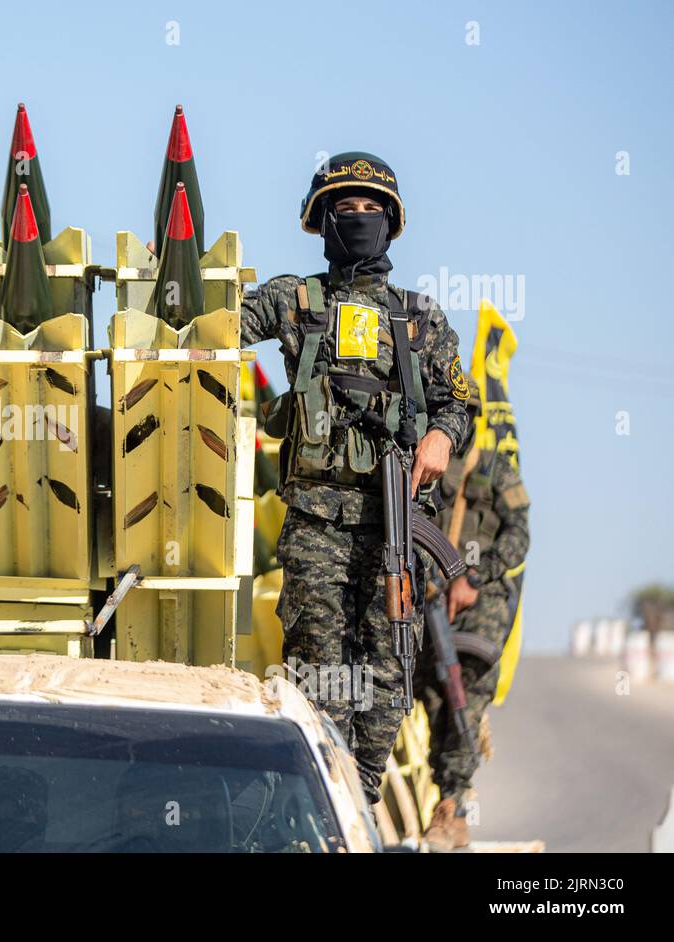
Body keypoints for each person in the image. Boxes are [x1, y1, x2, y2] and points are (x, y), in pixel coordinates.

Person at [241, 152, 471, 804]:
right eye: (347, 209)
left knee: (391, 669)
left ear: (392, 224)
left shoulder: (420, 319)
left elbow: (460, 403)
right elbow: (222, 321)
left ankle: (359, 801)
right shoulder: (297, 300)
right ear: (323, 221)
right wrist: (170, 279)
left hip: (394, 522)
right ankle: (327, 800)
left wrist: (439, 436)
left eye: (373, 210)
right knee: (319, 667)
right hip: (317, 518)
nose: (361, 219)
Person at [420, 380, 530, 851]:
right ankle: (445, 797)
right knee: (436, 699)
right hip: (429, 599)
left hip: (479, 603)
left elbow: (519, 534)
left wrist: (475, 578)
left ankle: (453, 806)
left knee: (467, 697)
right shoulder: (429, 460)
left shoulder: (496, 470)